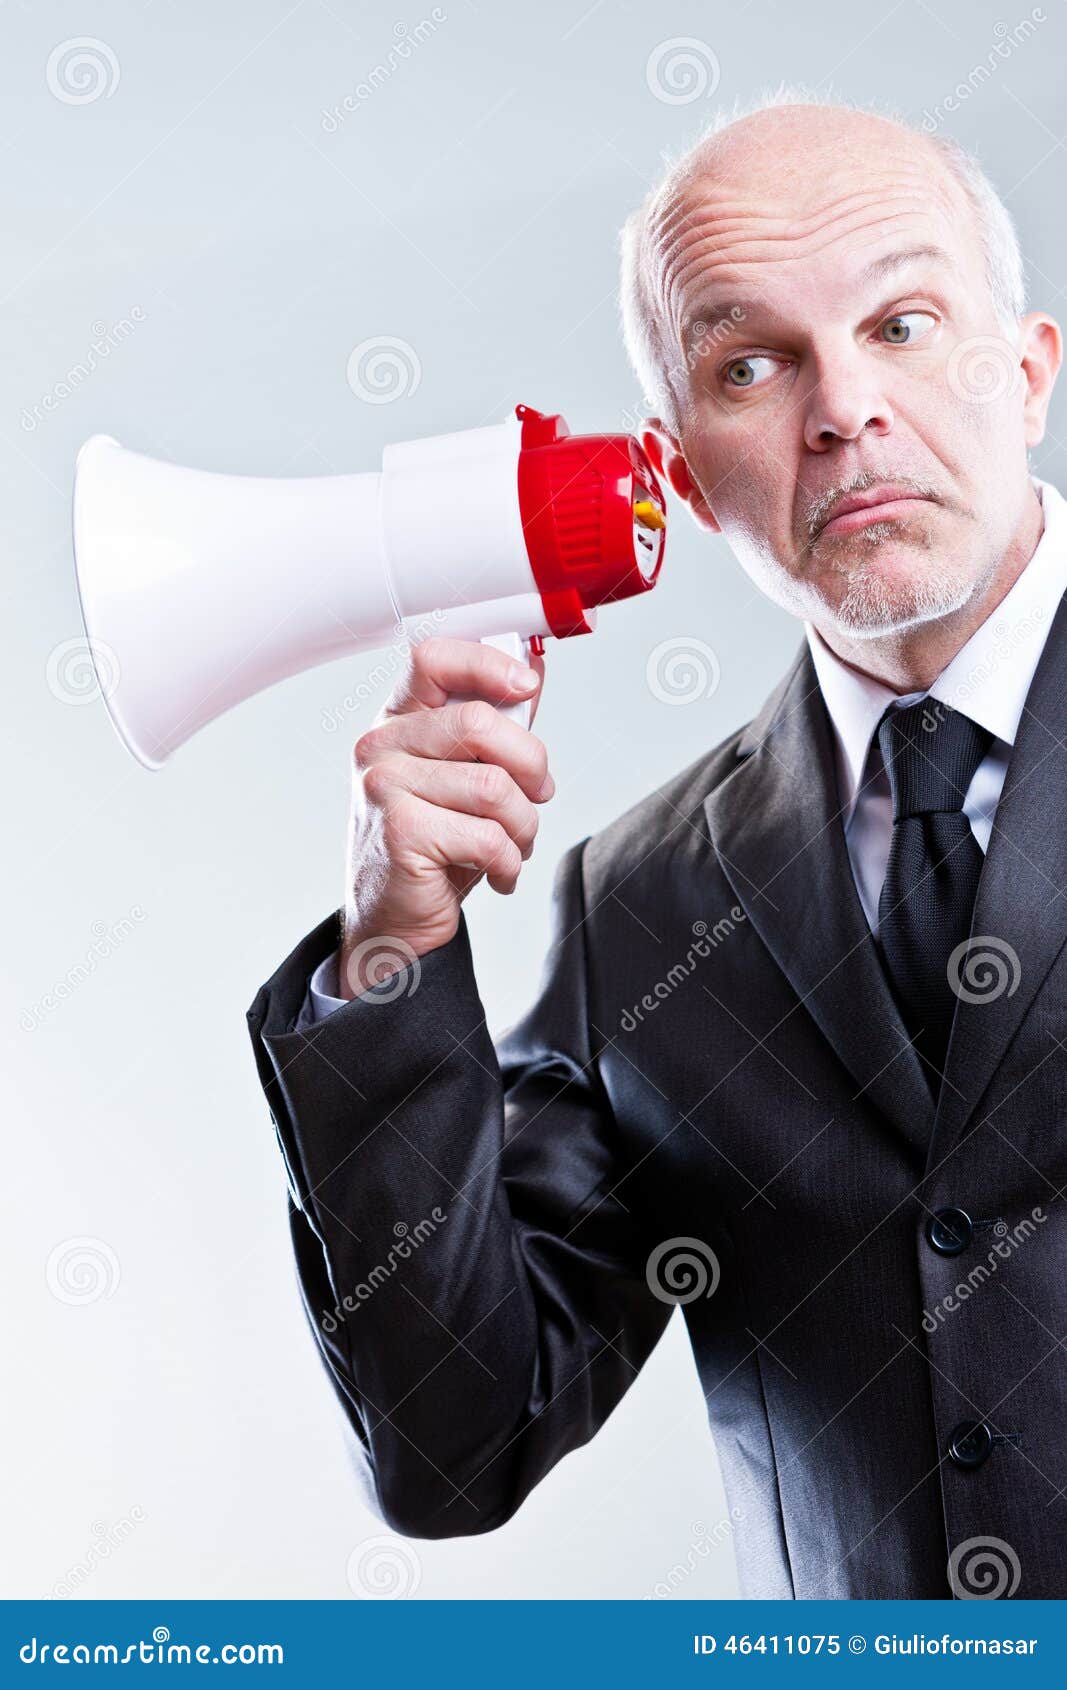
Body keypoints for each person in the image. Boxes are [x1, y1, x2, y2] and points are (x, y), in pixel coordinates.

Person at [247, 87, 1066, 1599]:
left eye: (900, 324)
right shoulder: (647, 900)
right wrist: (394, 946)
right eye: (750, 362)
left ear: (1027, 371)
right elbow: (456, 1445)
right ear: (682, 476)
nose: (842, 409)